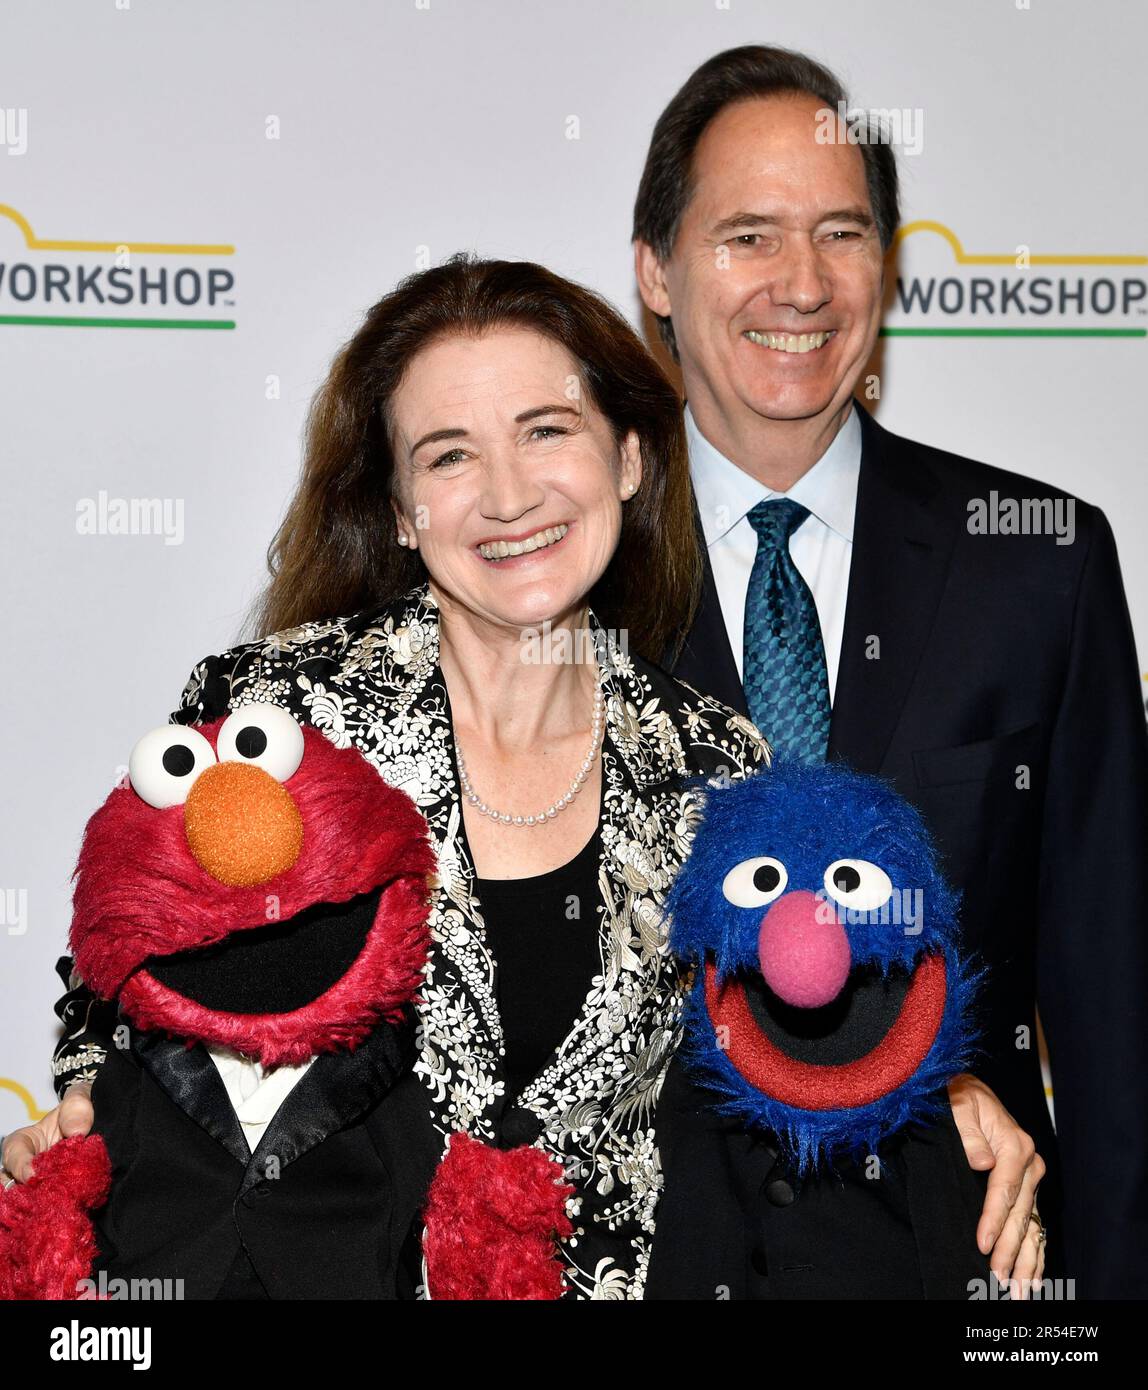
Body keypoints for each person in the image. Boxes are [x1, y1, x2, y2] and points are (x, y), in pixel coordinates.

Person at [4, 256, 1041, 1300]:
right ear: (402, 510)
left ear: (630, 458)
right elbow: (129, 975)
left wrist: (933, 1090)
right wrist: (85, 1120)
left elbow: (791, 1034)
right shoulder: (280, 722)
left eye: (545, 431)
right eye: (448, 455)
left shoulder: (716, 767)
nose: (508, 495)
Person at [632, 43, 1148, 1298]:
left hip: (960, 1269)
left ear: (887, 265)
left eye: (841, 233)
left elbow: (1113, 1012)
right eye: (745, 235)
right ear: (653, 270)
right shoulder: (558, 581)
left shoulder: (1039, 565)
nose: (799, 284)